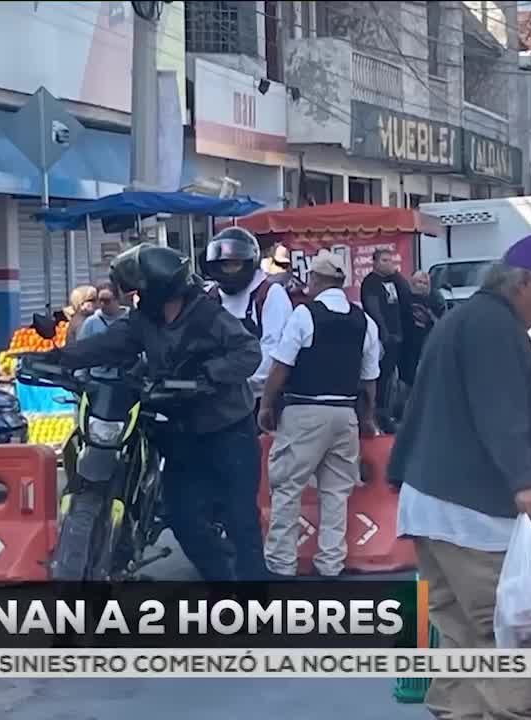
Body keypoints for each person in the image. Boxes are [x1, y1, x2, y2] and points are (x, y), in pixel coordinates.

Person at [388, 234, 531, 720]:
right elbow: (499, 408)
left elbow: (422, 405)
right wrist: (525, 478)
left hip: (430, 504)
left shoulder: (463, 319)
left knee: (460, 632)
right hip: (470, 510)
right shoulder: (495, 328)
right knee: (514, 629)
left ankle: (460, 712)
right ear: (524, 282)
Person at [54, 243, 266, 583]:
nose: (136, 298)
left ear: (159, 289)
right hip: (181, 431)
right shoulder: (143, 320)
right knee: (184, 520)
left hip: (227, 430)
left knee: (241, 519)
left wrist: (208, 375)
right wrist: (58, 358)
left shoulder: (209, 316)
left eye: (140, 291)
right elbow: (109, 344)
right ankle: (222, 583)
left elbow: (248, 352)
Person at [258, 250, 380, 577]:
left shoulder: (304, 315)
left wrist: (267, 404)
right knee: (336, 493)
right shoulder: (364, 321)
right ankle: (330, 564)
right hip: (345, 414)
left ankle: (281, 564)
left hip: (304, 412)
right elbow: (370, 378)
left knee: (287, 488)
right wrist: (367, 417)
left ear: (316, 279)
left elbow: (280, 367)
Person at [202, 227, 293, 399]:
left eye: (234, 264)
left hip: (257, 397)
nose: (228, 271)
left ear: (249, 263)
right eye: (224, 265)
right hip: (211, 395)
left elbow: (274, 349)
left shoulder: (269, 294)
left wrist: (238, 383)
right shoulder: (208, 296)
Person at [359, 249, 413, 429]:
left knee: (392, 378)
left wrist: (396, 274)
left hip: (398, 336)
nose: (389, 263)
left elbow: (406, 294)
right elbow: (373, 308)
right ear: (374, 263)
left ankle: (389, 413)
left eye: (390, 260)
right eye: (384, 260)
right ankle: (376, 414)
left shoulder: (393, 280)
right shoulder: (371, 282)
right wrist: (384, 333)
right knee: (380, 378)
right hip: (383, 338)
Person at [401, 270, 446, 388]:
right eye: (418, 282)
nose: (421, 285)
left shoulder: (436, 297)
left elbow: (442, 320)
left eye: (425, 283)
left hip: (429, 337)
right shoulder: (405, 296)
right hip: (409, 341)